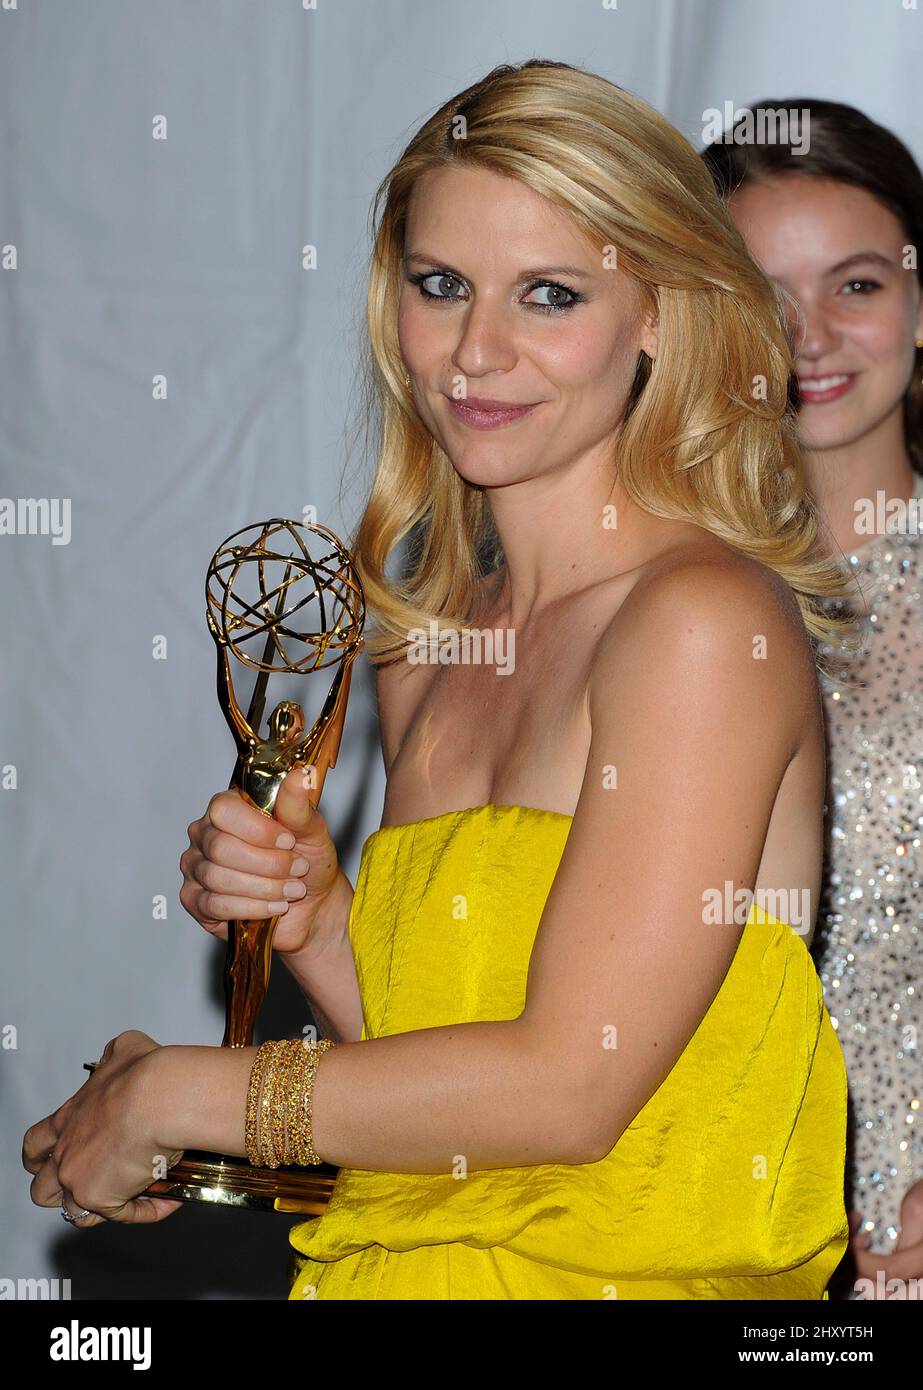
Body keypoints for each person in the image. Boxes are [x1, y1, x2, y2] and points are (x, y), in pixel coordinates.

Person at [24, 60, 858, 1301]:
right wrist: (319, 926)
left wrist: (179, 1093)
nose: (474, 351)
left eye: (548, 295)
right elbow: (443, 1088)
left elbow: (570, 1084)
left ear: (658, 315)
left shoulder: (698, 624)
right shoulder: (424, 642)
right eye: (440, 285)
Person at [702, 100, 923, 1300]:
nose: (807, 338)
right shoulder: (649, 601)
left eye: (854, 284)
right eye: (760, 295)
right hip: (695, 1221)